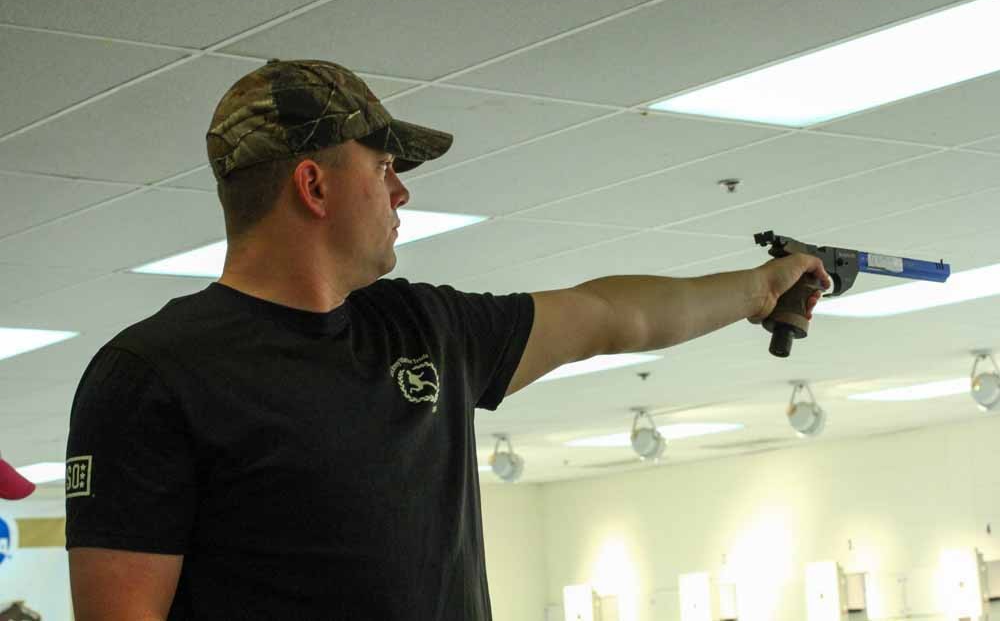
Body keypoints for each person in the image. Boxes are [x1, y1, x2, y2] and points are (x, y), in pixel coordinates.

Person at [63, 59, 829, 620]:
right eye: (383, 167)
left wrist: (759, 290)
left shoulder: (424, 329)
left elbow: (607, 314)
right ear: (314, 185)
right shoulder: (152, 375)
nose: (402, 190)